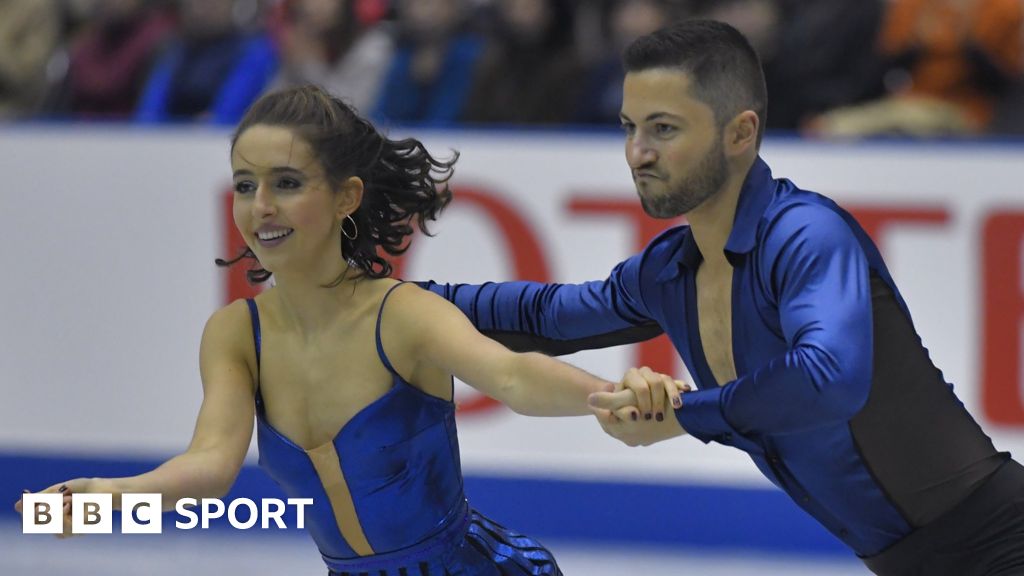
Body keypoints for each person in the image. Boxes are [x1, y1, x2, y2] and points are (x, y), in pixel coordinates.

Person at [423, 19, 1024, 575]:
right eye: (630, 128)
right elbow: (546, 317)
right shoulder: (669, 270)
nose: (639, 154)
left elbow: (829, 377)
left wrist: (682, 415)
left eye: (664, 128)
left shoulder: (805, 234)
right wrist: (394, 296)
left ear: (741, 132)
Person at [15, 84, 681, 576]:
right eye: (245, 185)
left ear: (346, 197)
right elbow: (212, 465)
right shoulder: (234, 334)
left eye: (286, 183)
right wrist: (112, 498)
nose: (261, 207)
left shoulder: (401, 315)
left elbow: (510, 375)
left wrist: (608, 395)